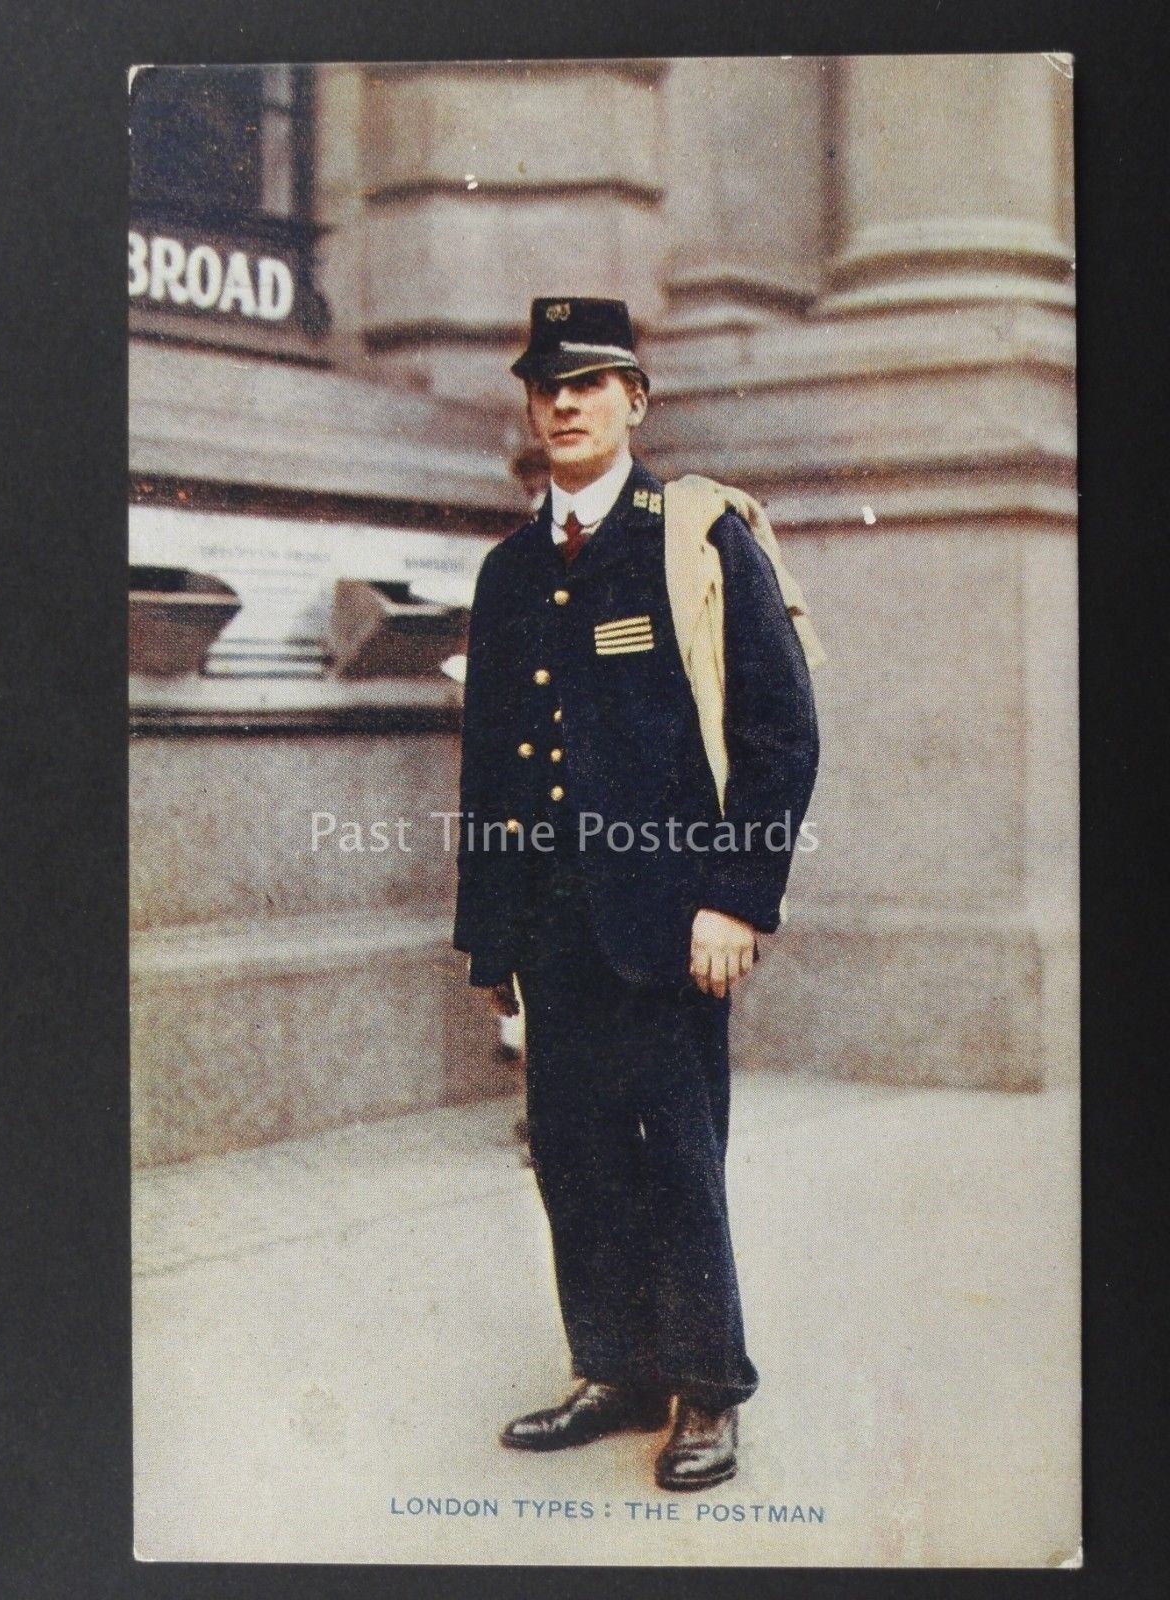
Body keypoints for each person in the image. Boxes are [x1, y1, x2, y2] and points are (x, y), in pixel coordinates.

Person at [453, 297, 819, 1490]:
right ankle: (616, 1368)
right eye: (546, 386)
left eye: (591, 383)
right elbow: (494, 761)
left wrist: (738, 898)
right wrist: (490, 933)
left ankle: (707, 1390)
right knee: (573, 1149)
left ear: (635, 401)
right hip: (554, 925)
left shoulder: (697, 539)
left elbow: (778, 732)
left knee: (676, 1151)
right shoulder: (510, 571)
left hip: (670, 920)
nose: (563, 403)